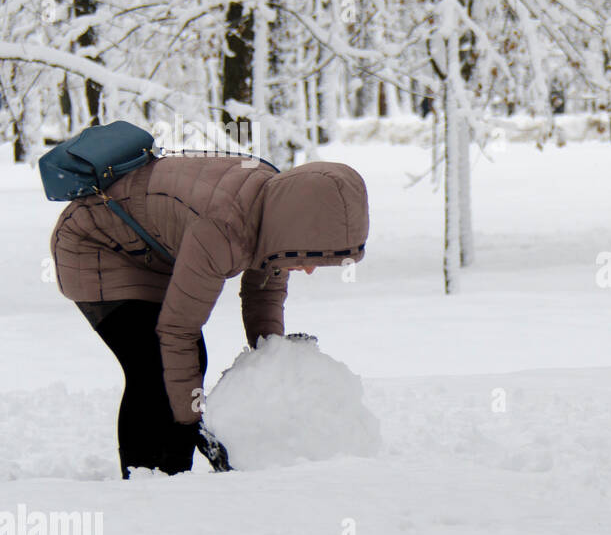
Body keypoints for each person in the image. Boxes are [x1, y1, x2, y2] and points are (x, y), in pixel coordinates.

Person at [49, 153, 370, 478]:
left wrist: (273, 357)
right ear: (298, 229)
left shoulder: (276, 212)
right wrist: (193, 424)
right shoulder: (224, 227)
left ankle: (173, 474)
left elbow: (264, 292)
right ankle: (146, 479)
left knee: (178, 365)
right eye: (313, 253)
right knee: (154, 363)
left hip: (149, 251)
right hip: (95, 247)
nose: (311, 269)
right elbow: (178, 330)